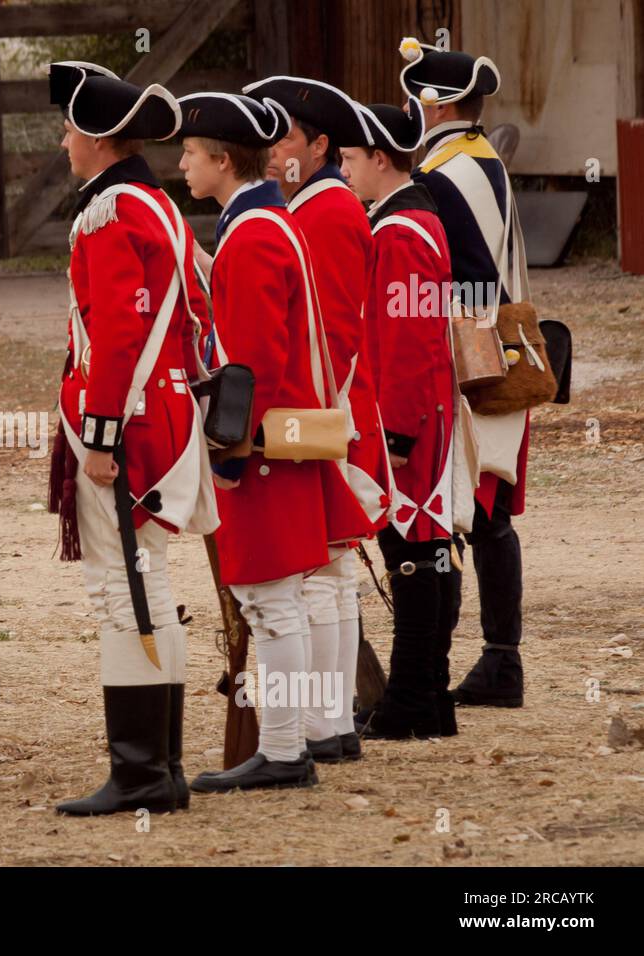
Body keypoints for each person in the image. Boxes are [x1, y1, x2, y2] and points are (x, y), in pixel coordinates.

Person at [176, 91, 370, 792]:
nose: (183, 164)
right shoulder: (270, 219)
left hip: (263, 441)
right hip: (291, 431)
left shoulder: (254, 232)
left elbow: (251, 361)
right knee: (306, 587)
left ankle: (286, 748)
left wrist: (228, 450)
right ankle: (320, 729)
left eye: (193, 154)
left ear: (224, 160)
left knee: (269, 596)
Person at [46, 62, 218, 816]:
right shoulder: (156, 206)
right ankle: (163, 768)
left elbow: (118, 335)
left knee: (125, 592)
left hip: (130, 421)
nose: (62, 142)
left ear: (96, 136)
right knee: (150, 585)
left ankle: (142, 772)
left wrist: (102, 433)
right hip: (166, 414)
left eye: (69, 129)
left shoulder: (111, 213)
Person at [243, 76, 391, 762]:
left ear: (322, 145)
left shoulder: (327, 211)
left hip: (322, 410)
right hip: (326, 409)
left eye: (287, 139)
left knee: (321, 573)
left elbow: (329, 335)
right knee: (325, 575)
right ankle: (326, 727)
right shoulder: (317, 204)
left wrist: (293, 423)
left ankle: (320, 728)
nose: (275, 152)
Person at [399, 38, 529, 708]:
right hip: (500, 350)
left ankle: (460, 661)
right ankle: (500, 661)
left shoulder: (445, 172)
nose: (407, 108)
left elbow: (470, 285)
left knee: (465, 512)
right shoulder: (480, 159)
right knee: (491, 515)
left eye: (414, 97)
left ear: (438, 103)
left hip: (471, 363)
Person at [338, 97, 462, 737]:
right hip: (423, 409)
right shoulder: (414, 218)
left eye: (351, 157)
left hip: (410, 416)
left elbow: (408, 339)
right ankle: (429, 698)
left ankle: (414, 700)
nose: (344, 168)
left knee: (413, 556)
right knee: (429, 553)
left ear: (380, 158)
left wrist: (397, 433)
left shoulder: (398, 230)